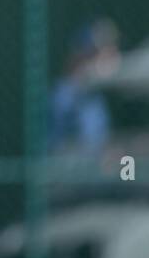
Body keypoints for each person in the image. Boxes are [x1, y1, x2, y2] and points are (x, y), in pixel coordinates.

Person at [49, 18, 120, 158]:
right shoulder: (63, 96)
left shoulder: (93, 93)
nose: (111, 56)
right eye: (102, 52)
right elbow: (58, 150)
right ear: (82, 54)